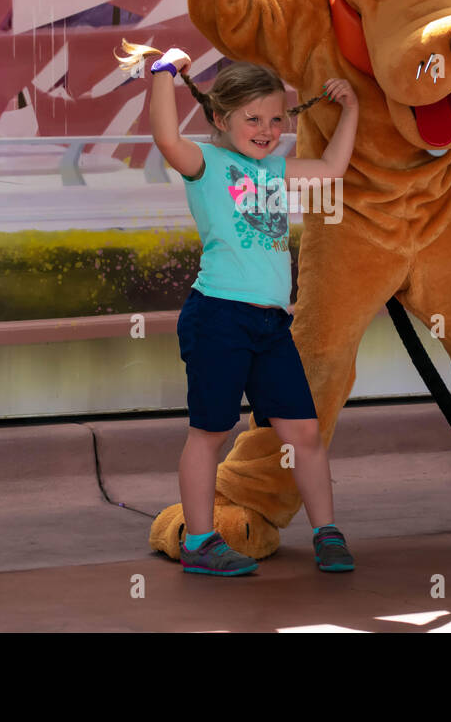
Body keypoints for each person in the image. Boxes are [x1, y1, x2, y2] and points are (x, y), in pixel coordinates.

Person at [116, 40, 359, 575]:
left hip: (271, 327)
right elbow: (163, 136)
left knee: (305, 433)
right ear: (221, 118)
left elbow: (334, 168)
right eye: (253, 118)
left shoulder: (275, 170)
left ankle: (327, 533)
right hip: (218, 317)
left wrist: (352, 109)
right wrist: (164, 73)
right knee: (211, 432)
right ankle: (200, 543)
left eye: (275, 119)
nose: (267, 129)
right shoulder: (207, 163)